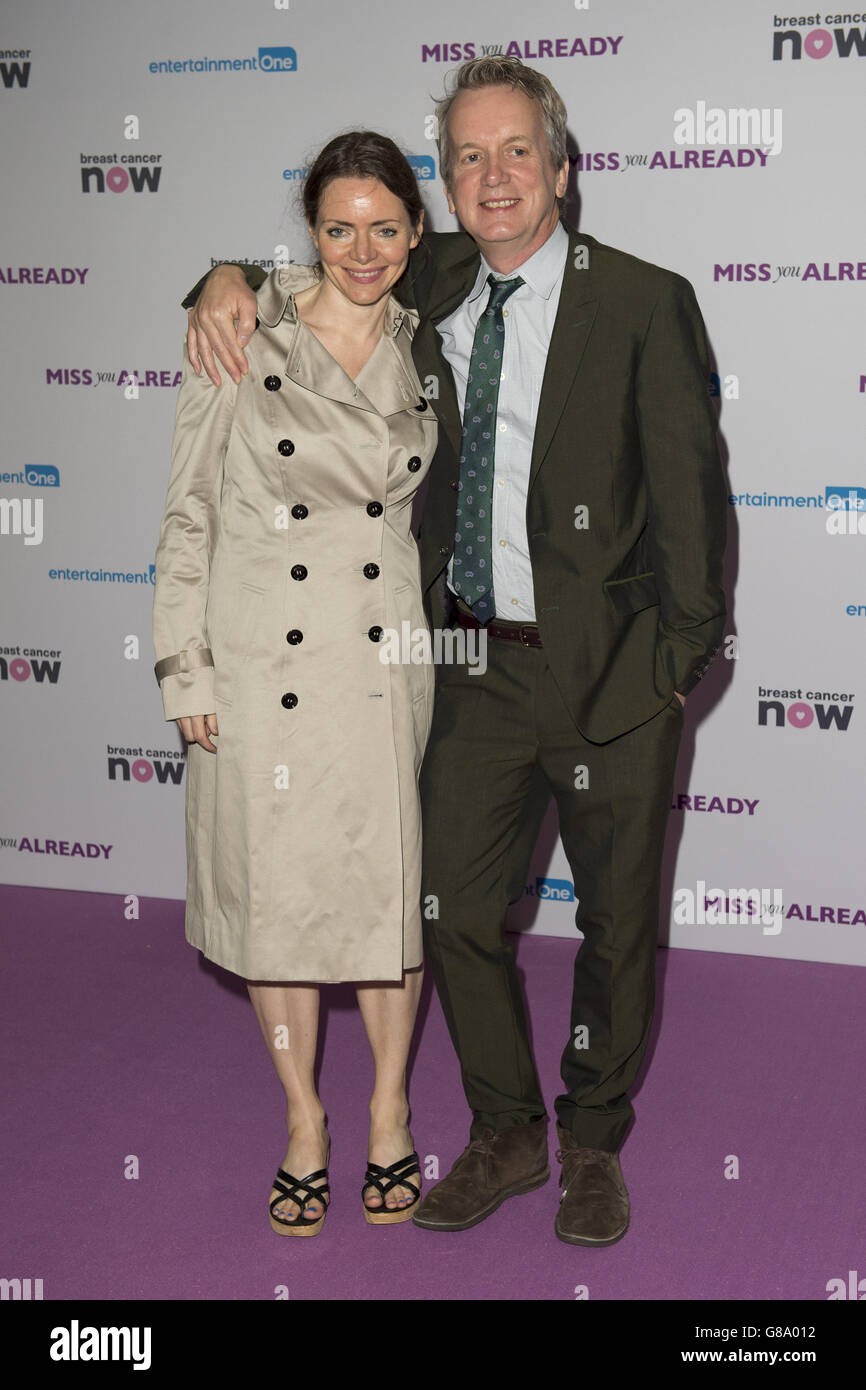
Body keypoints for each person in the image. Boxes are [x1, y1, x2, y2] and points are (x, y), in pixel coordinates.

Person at [182, 56, 727, 1247]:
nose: (492, 176)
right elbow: (314, 258)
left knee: (615, 926)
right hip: (465, 667)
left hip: (612, 679)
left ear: (561, 170)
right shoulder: (424, 273)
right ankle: (502, 1128)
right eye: (467, 156)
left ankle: (591, 1138)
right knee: (451, 916)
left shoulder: (643, 301)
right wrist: (218, 276)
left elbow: (694, 510)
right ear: (444, 183)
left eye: (514, 151)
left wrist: (666, 675)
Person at [152, 131, 438, 1236]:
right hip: (260, 655)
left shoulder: (433, 332)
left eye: (383, 227)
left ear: (417, 232)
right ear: (306, 231)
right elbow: (186, 513)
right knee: (275, 912)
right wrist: (185, 665)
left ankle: (388, 1111)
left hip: (381, 656)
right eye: (335, 227)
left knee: (382, 900)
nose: (360, 250)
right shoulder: (241, 327)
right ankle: (303, 1120)